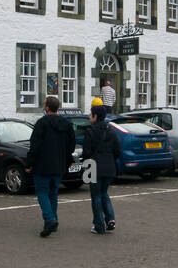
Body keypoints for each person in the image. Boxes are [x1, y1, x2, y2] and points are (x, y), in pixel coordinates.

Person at [28, 95, 76, 237]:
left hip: (42, 165)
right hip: (59, 165)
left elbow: (34, 145)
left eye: (44, 104)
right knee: (53, 193)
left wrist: (29, 162)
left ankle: (49, 219)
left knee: (42, 192)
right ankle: (52, 220)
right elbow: (71, 146)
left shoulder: (41, 123)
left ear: (47, 107)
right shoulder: (67, 125)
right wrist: (66, 160)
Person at [82, 104, 121, 234]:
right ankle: (110, 219)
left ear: (95, 116)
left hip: (93, 166)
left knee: (96, 196)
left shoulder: (90, 131)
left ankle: (99, 225)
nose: (89, 116)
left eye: (90, 114)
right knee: (104, 193)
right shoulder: (111, 130)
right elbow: (118, 150)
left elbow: (86, 152)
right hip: (109, 166)